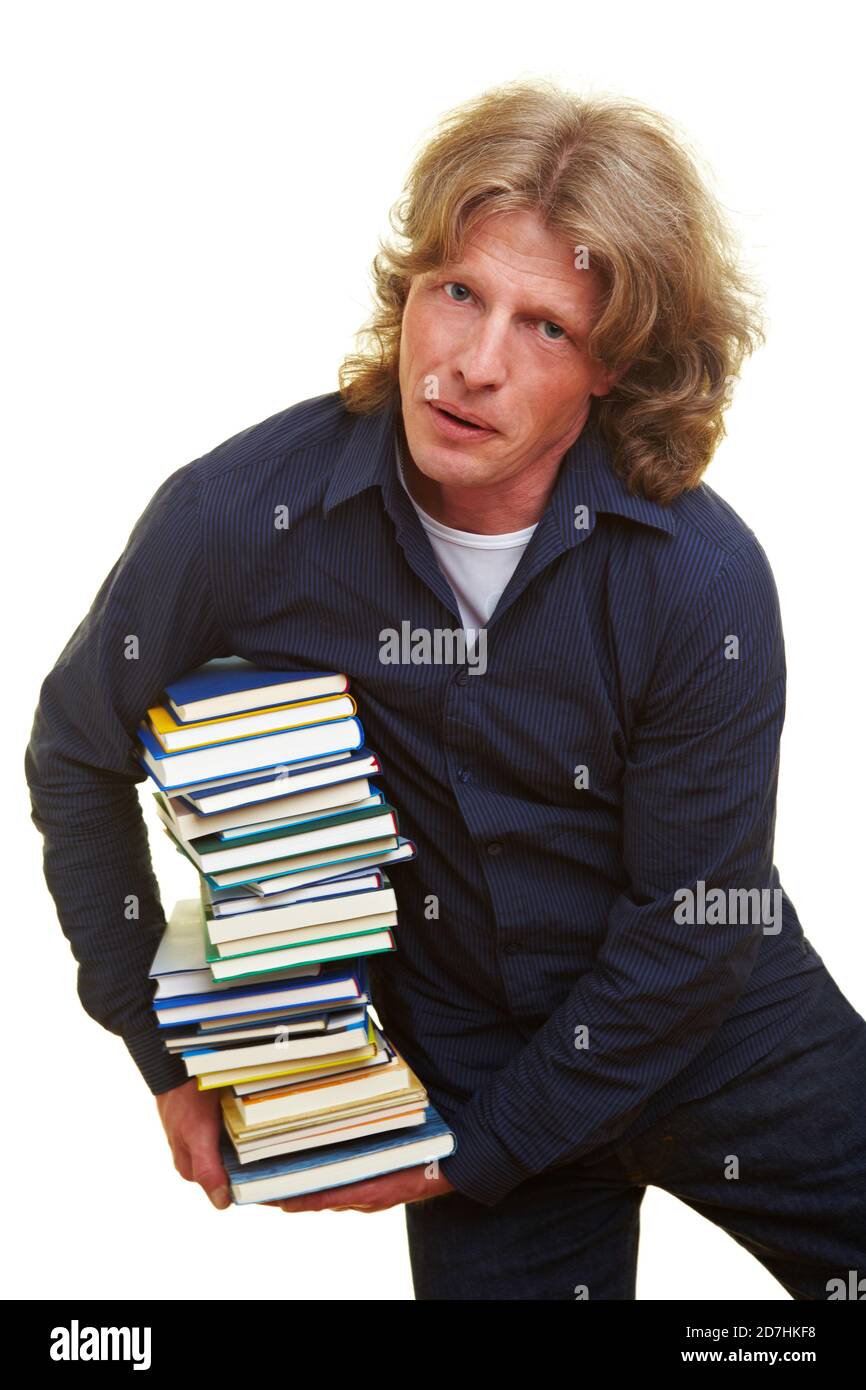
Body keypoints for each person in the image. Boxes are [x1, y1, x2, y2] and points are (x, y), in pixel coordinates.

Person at [25, 78, 866, 1300]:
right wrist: (164, 1047)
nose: (470, 364)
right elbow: (75, 751)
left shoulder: (700, 578)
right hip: (468, 1055)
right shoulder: (242, 516)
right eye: (457, 291)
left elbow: (691, 924)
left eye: (544, 327)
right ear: (407, 292)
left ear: (613, 369)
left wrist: (488, 1148)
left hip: (714, 1028)